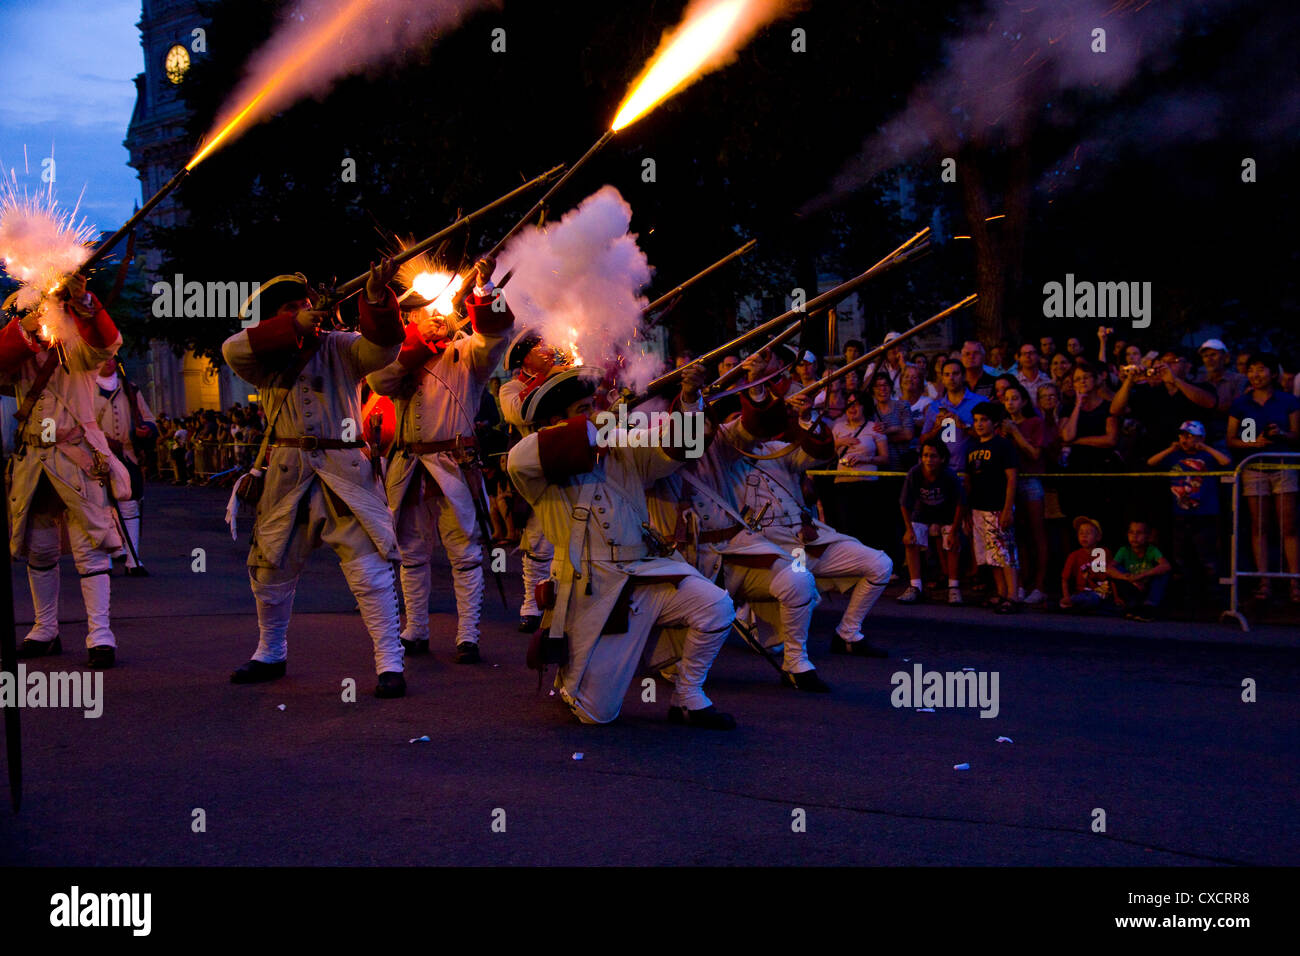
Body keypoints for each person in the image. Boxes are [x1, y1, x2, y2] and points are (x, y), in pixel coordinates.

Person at [507, 364, 737, 728]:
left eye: (593, 406)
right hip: (593, 589)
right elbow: (517, 459)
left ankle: (688, 695)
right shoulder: (537, 464)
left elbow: (687, 448)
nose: (595, 413)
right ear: (554, 421)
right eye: (583, 409)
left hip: (645, 573)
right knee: (595, 715)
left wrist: (690, 399)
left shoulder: (625, 448)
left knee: (717, 606)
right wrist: (595, 427)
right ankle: (573, 682)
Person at [221, 261, 408, 698]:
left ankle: (390, 660)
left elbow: (384, 350)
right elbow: (233, 349)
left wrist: (377, 298)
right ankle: (271, 651)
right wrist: (293, 327)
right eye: (293, 307)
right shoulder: (263, 352)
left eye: (307, 304)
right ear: (273, 318)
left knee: (371, 572)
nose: (307, 310)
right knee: (270, 569)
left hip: (345, 471)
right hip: (288, 472)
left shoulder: (342, 345)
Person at [367, 257, 510, 663]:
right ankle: (416, 630)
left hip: (453, 464)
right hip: (409, 466)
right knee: (411, 552)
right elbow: (380, 380)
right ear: (411, 320)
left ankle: (468, 636)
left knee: (464, 553)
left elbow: (495, 337)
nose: (439, 318)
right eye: (429, 313)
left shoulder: (467, 353)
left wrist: (485, 289)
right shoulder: (400, 357)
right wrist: (416, 345)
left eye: (441, 311)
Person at [1, 275, 125, 668]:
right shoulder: (19, 353)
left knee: (91, 550)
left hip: (76, 455)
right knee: (39, 549)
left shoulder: (79, 347)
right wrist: (27, 329)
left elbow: (106, 342)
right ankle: (44, 628)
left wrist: (83, 299)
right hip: (34, 460)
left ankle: (101, 634)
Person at [498, 327, 568, 631]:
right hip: (536, 468)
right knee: (537, 543)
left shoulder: (567, 377)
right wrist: (549, 377)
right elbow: (521, 414)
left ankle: (567, 605)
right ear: (524, 358)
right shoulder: (510, 388)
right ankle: (532, 605)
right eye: (539, 346)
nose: (547, 347)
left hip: (570, 462)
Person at [1226, 352, 1300, 602]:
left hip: (1283, 465)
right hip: (1253, 466)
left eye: (1261, 369)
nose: (1256, 375)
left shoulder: (1288, 400)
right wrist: (1253, 443)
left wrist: (1281, 433)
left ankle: (1294, 582)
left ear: (1272, 372)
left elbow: (1296, 434)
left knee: (1288, 526)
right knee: (1260, 527)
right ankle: (1264, 582)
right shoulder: (1241, 404)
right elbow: (1232, 439)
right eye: (1251, 370)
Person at [1146, 420, 1231, 594]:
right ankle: (1187, 590)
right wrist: (1171, 449)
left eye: (1191, 436)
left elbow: (1226, 462)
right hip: (1180, 513)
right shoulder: (1174, 456)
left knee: (1208, 555)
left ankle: (1213, 591)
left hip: (1205, 513)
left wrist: (1205, 448)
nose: (1185, 439)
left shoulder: (1207, 456)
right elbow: (1151, 462)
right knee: (1181, 554)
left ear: (1201, 438)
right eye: (1183, 435)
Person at [93, 358, 159, 577]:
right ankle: (106, 560)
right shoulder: (85, 387)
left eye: (112, 356)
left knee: (129, 506)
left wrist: (146, 429)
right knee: (100, 509)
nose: (109, 361)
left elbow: (149, 419)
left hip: (127, 456)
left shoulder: (130, 389)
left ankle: (133, 559)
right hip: (95, 457)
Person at [963, 402, 1019, 613]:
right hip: (978, 507)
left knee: (1005, 552)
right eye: (976, 420)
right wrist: (968, 510)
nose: (979, 424)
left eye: (984, 420)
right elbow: (968, 480)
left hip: (997, 506)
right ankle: (1001, 591)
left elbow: (1012, 478)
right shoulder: (972, 447)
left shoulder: (1003, 445)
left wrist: (1007, 508)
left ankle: (1013, 595)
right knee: (990, 553)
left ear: (994, 423)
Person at [897, 439, 966, 605]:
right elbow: (904, 504)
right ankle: (915, 586)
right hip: (922, 513)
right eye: (925, 455)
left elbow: (960, 503)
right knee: (911, 541)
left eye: (933, 456)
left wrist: (955, 530)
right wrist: (909, 530)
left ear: (942, 458)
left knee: (952, 543)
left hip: (946, 514)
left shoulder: (949, 475)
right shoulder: (915, 473)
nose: (929, 460)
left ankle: (953, 587)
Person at [1001, 382, 1048, 604]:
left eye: (1015, 398)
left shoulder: (1035, 423)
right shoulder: (1001, 427)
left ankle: (1039, 586)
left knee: (1036, 534)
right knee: (1014, 537)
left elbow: (1034, 454)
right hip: (1008, 483)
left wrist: (1015, 432)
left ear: (1024, 401)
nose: (1010, 402)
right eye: (1007, 398)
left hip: (1030, 481)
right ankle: (1018, 584)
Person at [920, 358, 982, 471]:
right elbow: (923, 440)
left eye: (955, 374)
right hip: (941, 472)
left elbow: (990, 438)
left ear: (964, 376)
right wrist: (935, 428)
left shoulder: (979, 402)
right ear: (942, 379)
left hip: (972, 470)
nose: (951, 378)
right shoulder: (934, 407)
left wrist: (964, 426)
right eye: (947, 375)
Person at [1108, 520, 1171, 621]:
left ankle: (1149, 606)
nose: (1134, 536)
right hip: (1133, 587)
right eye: (1131, 532)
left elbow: (1166, 566)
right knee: (1116, 569)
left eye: (1139, 533)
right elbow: (1109, 568)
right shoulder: (1124, 550)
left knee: (1163, 572)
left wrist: (1141, 576)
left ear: (1147, 536)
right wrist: (1129, 578)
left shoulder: (1152, 550)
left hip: (1146, 586)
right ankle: (1132, 605)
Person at [1194, 338, 1249, 444]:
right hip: (1201, 437)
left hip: (1229, 436)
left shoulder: (1239, 379)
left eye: (1213, 355)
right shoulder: (1198, 380)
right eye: (1205, 356)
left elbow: (1236, 408)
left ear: (1226, 358)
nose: (1209, 359)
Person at [1059, 516, 1113, 612]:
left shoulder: (1104, 552)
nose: (1084, 536)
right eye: (1081, 533)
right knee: (1083, 599)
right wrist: (1066, 596)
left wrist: (1116, 597)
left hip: (1101, 593)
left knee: (1095, 599)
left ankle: (1075, 606)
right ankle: (1073, 603)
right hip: (1082, 593)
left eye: (1088, 533)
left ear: (1098, 537)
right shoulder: (1074, 555)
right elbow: (1065, 579)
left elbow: (1112, 576)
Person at [1013, 342, 1052, 408]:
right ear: (1019, 358)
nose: (1028, 356)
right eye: (1024, 354)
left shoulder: (1047, 380)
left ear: (1038, 356)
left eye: (1031, 353)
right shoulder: (1015, 382)